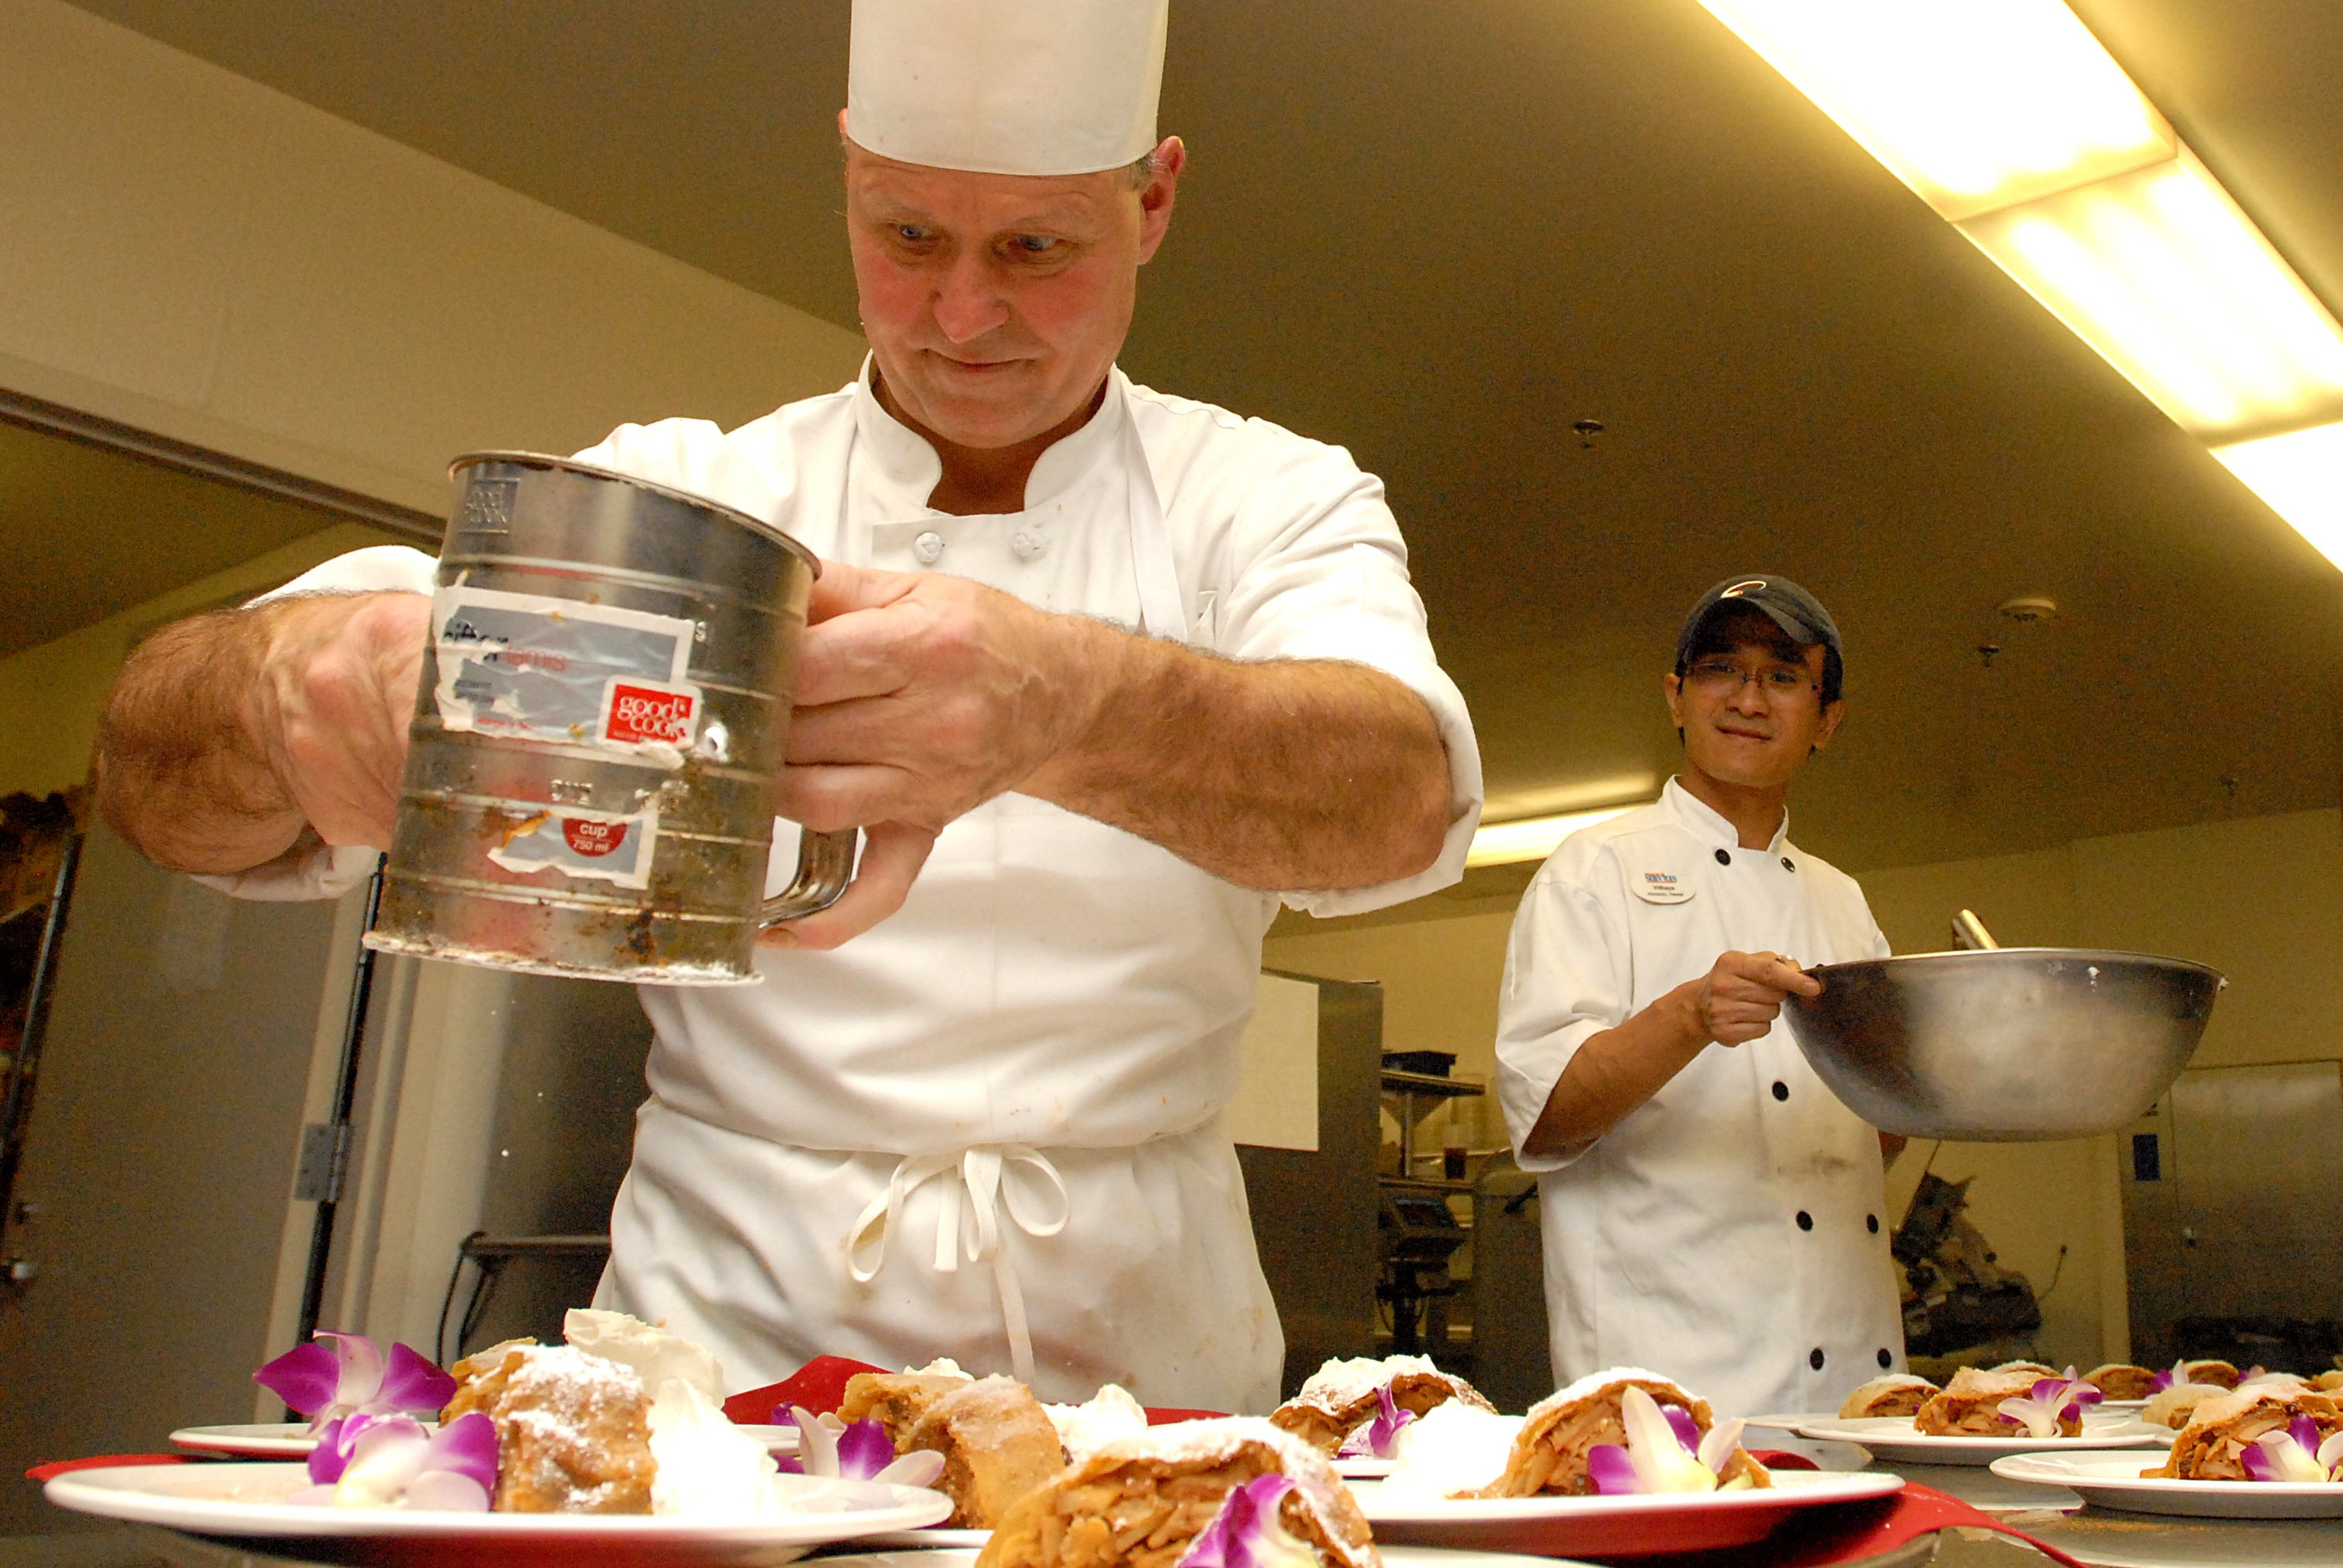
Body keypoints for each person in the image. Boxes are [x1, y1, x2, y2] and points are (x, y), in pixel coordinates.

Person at [93, 0, 1481, 1413]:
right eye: (907, 235)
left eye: (1034, 248)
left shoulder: (1262, 496)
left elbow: (1400, 800)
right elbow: (152, 778)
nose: (962, 313)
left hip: (1142, 1357)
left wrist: (1072, 701)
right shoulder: (688, 498)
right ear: (847, 178)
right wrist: (285, 686)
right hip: (724, 1345)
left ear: (1154, 203)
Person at [1492, 575, 1902, 1423]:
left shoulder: (1841, 898)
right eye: (1721, 669)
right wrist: (1689, 1017)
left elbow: (1874, 1131)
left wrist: (1945, 1067)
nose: (1748, 698)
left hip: (1856, 1387)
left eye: (1782, 676)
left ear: (1827, 720)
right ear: (1675, 696)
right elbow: (1543, 1116)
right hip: (1670, 1392)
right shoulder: (1593, 868)